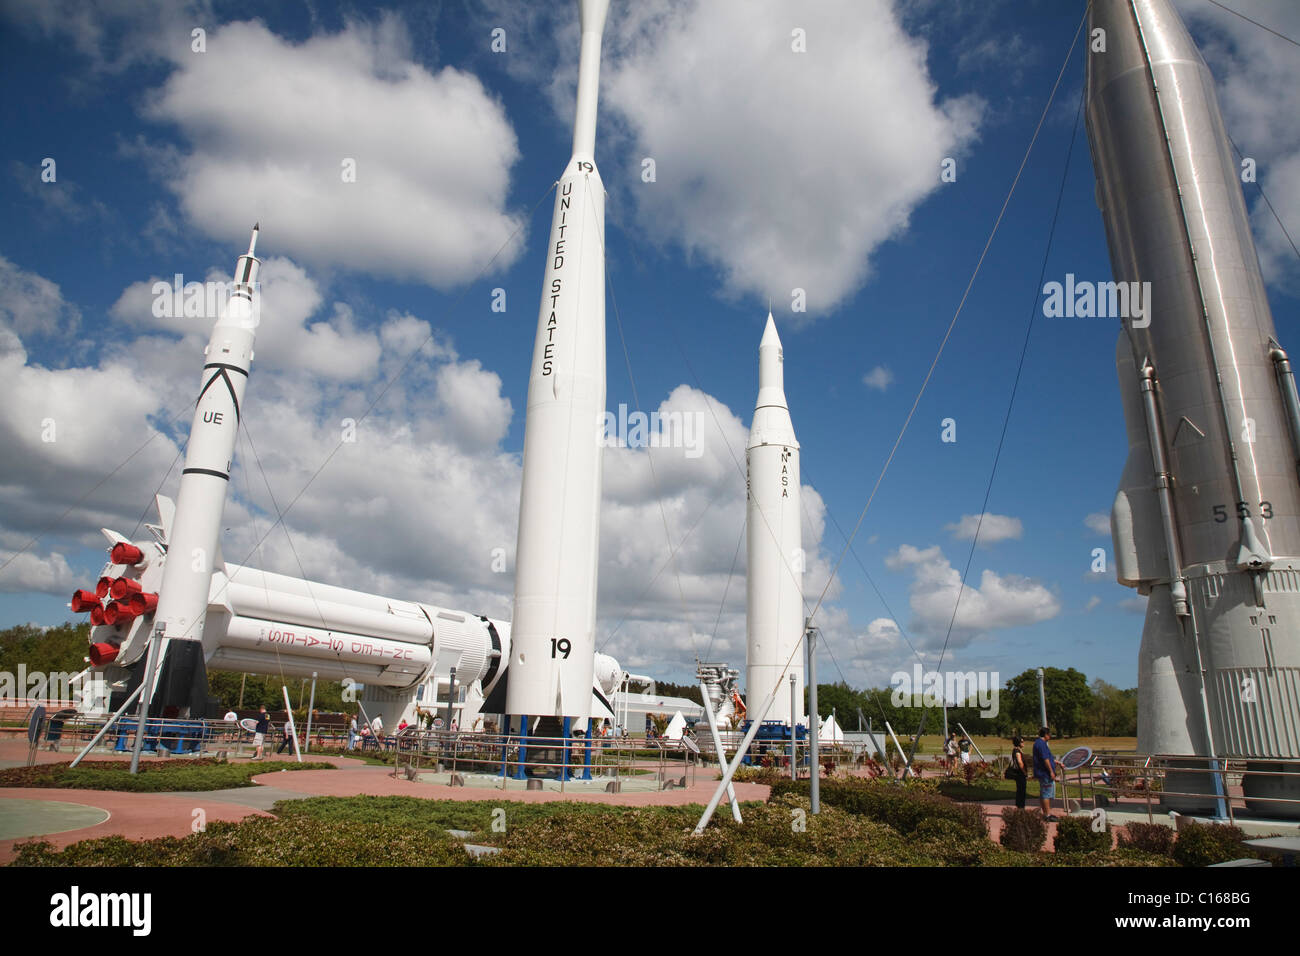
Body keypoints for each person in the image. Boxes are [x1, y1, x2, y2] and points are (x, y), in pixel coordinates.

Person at [1032, 726, 1059, 821]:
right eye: (1049, 734)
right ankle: (1047, 815)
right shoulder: (1041, 744)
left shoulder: (1039, 743)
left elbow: (1048, 758)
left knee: (1044, 793)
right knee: (1046, 794)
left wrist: (1056, 762)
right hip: (1044, 773)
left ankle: (1046, 813)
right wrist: (1051, 771)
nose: (1050, 736)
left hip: (1042, 772)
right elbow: (1045, 759)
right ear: (1046, 735)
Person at [1010, 735, 1028, 809]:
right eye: (1022, 742)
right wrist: (1024, 772)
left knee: (1020, 790)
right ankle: (1020, 807)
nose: (1023, 743)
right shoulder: (1017, 751)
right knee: (1021, 790)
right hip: (1020, 773)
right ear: (1018, 742)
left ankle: (1020, 806)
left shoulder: (1017, 750)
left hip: (1019, 773)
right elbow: (1020, 763)